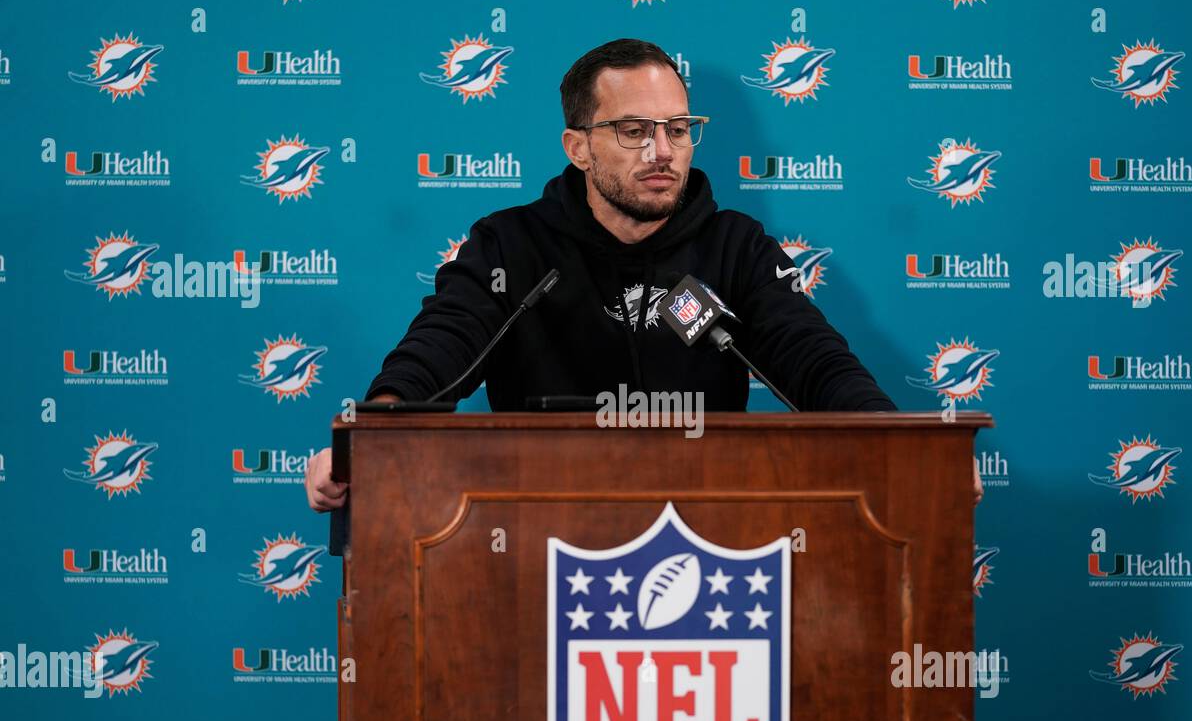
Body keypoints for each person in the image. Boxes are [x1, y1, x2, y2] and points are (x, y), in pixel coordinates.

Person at [306, 38, 982, 512]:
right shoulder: (510, 245)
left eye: (678, 128)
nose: (662, 151)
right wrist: (374, 436)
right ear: (578, 148)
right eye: (633, 131)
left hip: (711, 533)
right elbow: (440, 351)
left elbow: (810, 358)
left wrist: (904, 447)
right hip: (533, 527)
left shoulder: (735, 249)